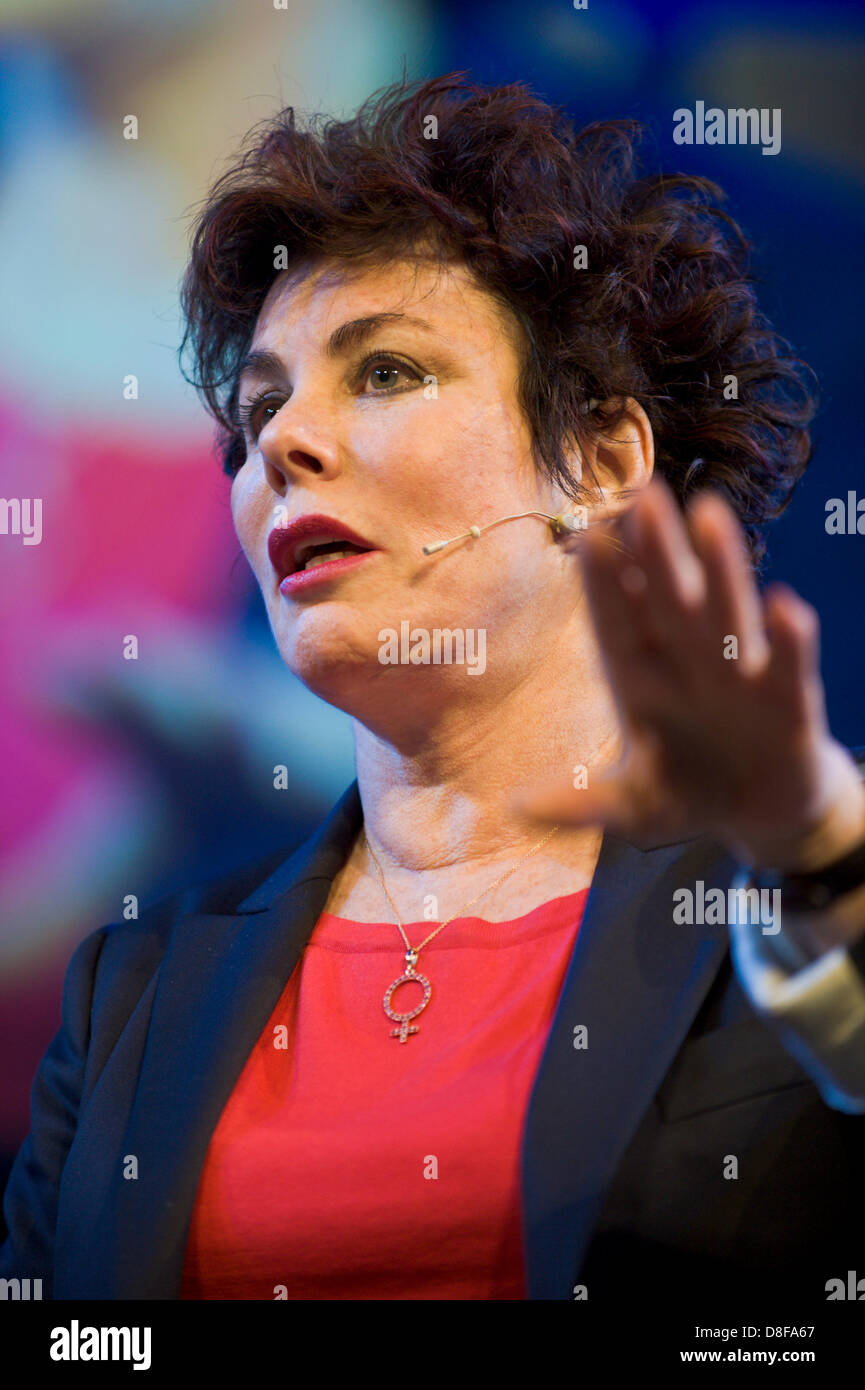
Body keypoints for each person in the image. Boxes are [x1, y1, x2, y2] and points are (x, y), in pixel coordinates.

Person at [2, 72, 864, 1304]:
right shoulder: (129, 995)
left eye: (388, 372)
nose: (284, 445)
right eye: (259, 410)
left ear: (599, 460)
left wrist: (821, 851)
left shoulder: (796, 896)